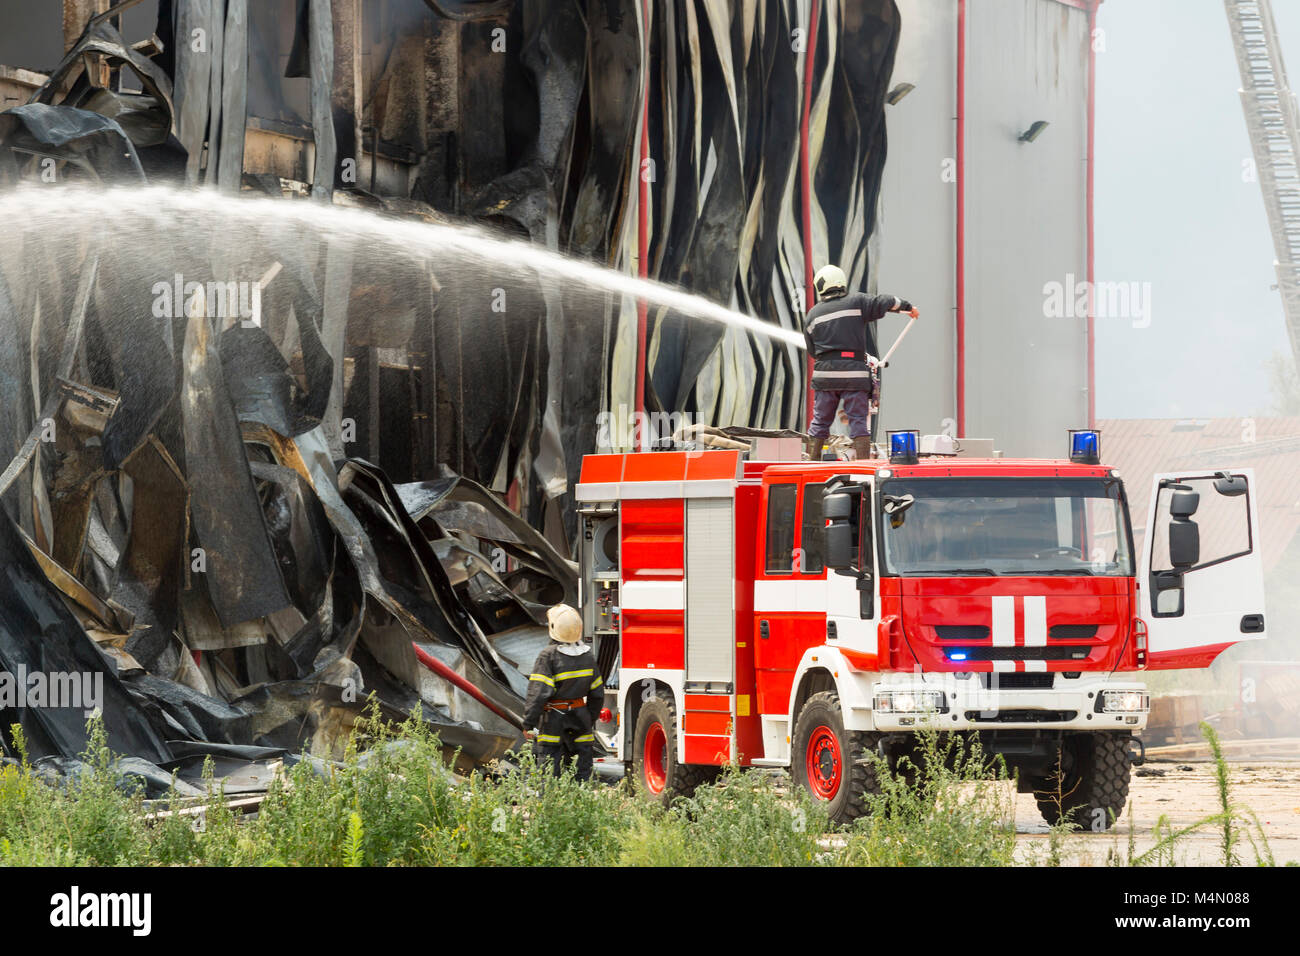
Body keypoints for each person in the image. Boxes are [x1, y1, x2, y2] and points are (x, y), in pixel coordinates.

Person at [803, 264, 918, 461]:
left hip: (825, 376)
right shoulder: (856, 302)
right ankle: (864, 465)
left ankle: (812, 463)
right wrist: (908, 307)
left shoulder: (812, 314)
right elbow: (885, 301)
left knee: (820, 422)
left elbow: (812, 350)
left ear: (820, 286)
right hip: (853, 374)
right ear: (841, 282)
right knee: (857, 421)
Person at [522, 603, 604, 781]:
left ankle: (551, 805)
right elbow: (597, 694)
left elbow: (538, 693)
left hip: (554, 719)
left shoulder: (548, 656)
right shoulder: (588, 656)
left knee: (549, 768)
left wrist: (528, 723)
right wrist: (588, 718)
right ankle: (581, 801)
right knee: (581, 769)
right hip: (580, 717)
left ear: (553, 627)